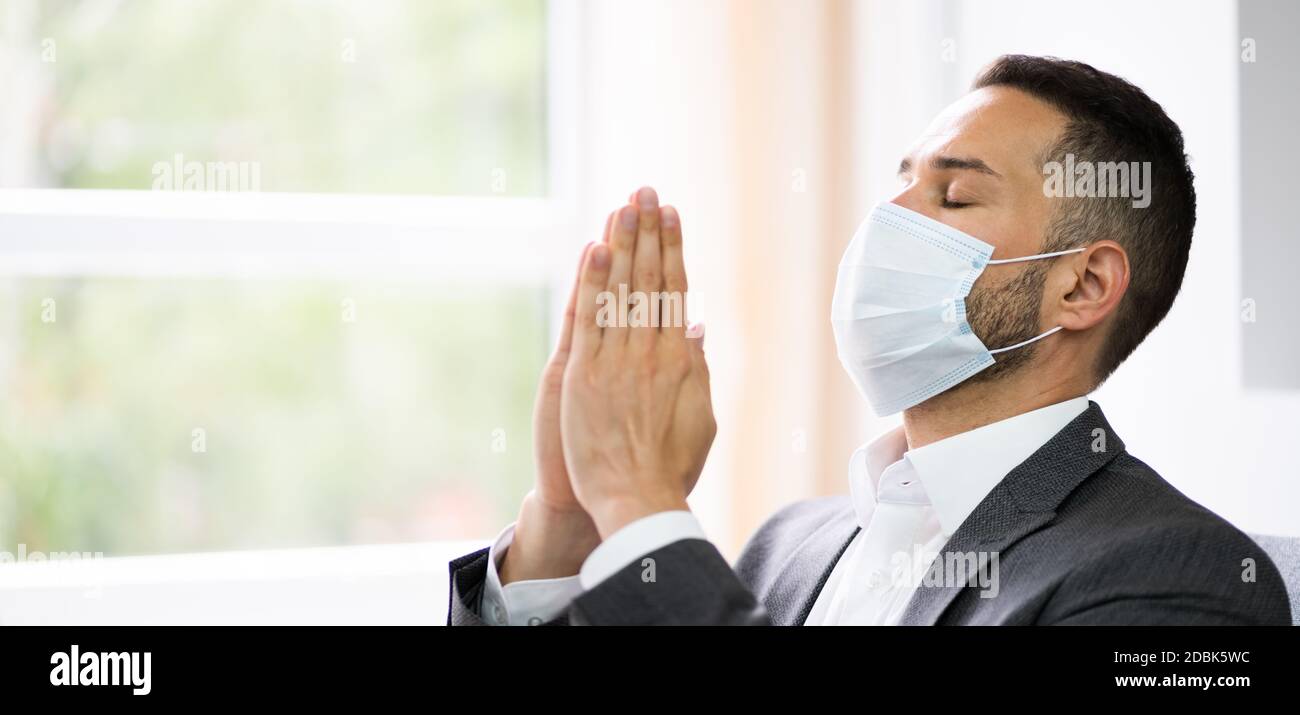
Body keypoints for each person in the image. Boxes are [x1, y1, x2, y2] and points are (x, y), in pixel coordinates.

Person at [447, 55, 1290, 625]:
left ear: (1083, 285)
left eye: (953, 198)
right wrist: (567, 521)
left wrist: (640, 502)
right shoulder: (789, 543)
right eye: (902, 185)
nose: (889, 218)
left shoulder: (1185, 577)